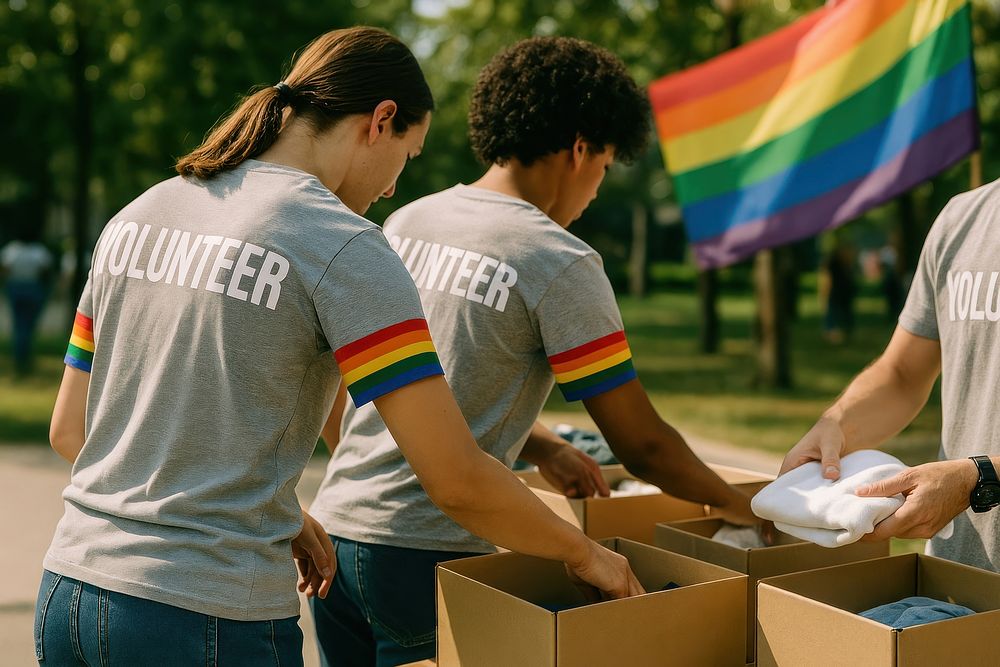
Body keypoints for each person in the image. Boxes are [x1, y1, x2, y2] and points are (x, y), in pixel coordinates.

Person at [38, 27, 640, 666]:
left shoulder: (139, 214)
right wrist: (586, 554)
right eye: (406, 156)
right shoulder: (341, 244)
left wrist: (277, 511)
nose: (391, 190)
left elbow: (70, 430)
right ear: (381, 121)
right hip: (208, 617)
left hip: (69, 592)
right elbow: (455, 478)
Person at [308, 36, 758, 666]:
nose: (597, 190)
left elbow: (379, 377)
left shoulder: (410, 220)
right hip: (427, 553)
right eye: (604, 167)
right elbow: (642, 445)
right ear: (580, 150)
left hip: (335, 529)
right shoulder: (559, 260)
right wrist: (743, 503)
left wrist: (541, 443)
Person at [779, 178, 1000, 573]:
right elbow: (902, 374)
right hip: (961, 578)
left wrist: (981, 476)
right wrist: (838, 426)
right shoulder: (960, 217)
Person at [0, 226, 54, 376]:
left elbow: (5, 268)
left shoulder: (12, 250)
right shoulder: (38, 251)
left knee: (19, 324)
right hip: (32, 287)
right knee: (29, 324)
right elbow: (45, 269)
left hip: (16, 287)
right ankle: (24, 355)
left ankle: (20, 355)